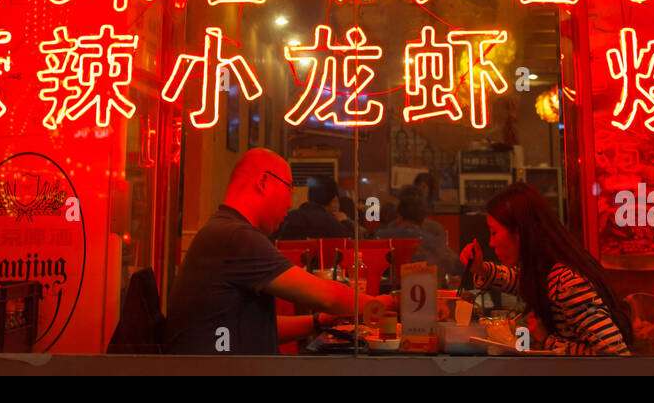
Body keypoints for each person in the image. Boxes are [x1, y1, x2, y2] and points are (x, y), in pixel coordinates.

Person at [165, 149, 388, 355]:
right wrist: (387, 304)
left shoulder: (224, 230)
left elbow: (260, 327)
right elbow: (328, 297)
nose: (290, 203)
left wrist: (319, 321)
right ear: (263, 182)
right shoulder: (235, 236)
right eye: (288, 189)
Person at [460, 183, 631, 356]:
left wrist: (547, 340)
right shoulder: (547, 272)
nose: (491, 242)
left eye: (494, 233)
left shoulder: (567, 283)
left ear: (519, 232)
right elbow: (521, 281)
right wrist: (482, 269)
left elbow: (615, 355)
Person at [372, 187, 461, 284]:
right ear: (423, 220)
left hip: (386, 293)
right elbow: (458, 267)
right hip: (426, 292)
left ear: (399, 217)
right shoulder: (436, 243)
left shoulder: (380, 237)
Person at [271, 174, 354, 241]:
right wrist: (345, 222)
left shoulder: (287, 218)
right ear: (332, 200)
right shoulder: (332, 224)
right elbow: (351, 245)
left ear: (309, 196)